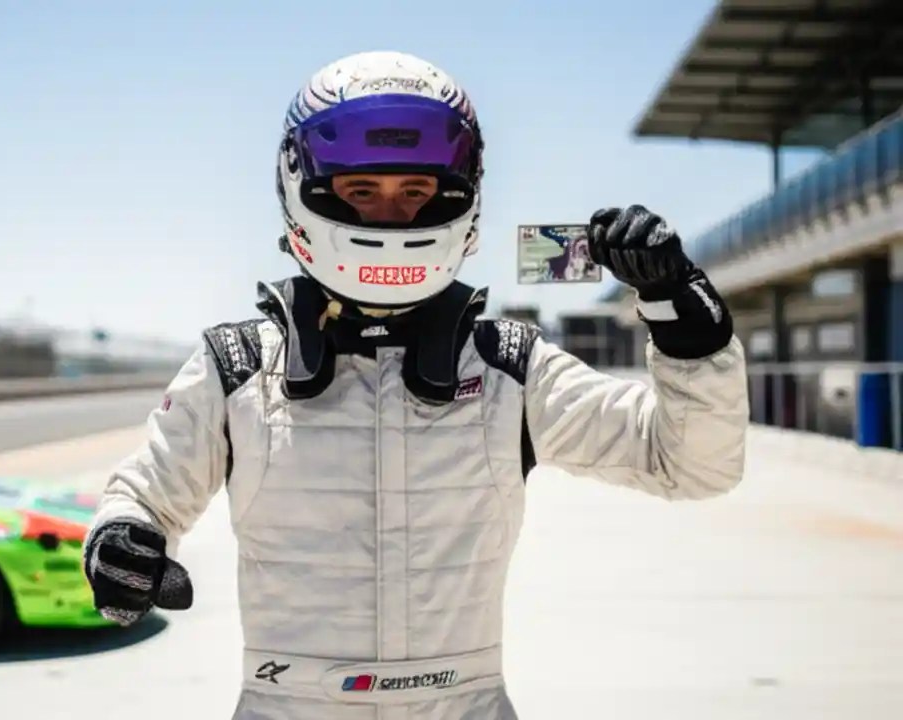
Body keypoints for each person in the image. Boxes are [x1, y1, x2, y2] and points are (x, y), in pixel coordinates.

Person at [83, 50, 748, 720]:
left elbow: (691, 464)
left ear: (457, 194)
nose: (390, 216)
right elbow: (143, 496)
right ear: (307, 188)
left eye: (415, 192)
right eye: (361, 191)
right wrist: (120, 542)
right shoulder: (238, 367)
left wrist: (684, 318)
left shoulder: (508, 367)